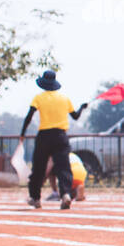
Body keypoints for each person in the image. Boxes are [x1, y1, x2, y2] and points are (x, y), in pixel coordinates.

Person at [20, 69, 87, 210]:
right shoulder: (64, 98)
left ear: (43, 83)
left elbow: (29, 116)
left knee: (38, 168)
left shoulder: (38, 98)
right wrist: (81, 107)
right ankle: (65, 195)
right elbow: (75, 116)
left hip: (44, 135)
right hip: (61, 136)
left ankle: (35, 198)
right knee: (64, 168)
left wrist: (22, 133)